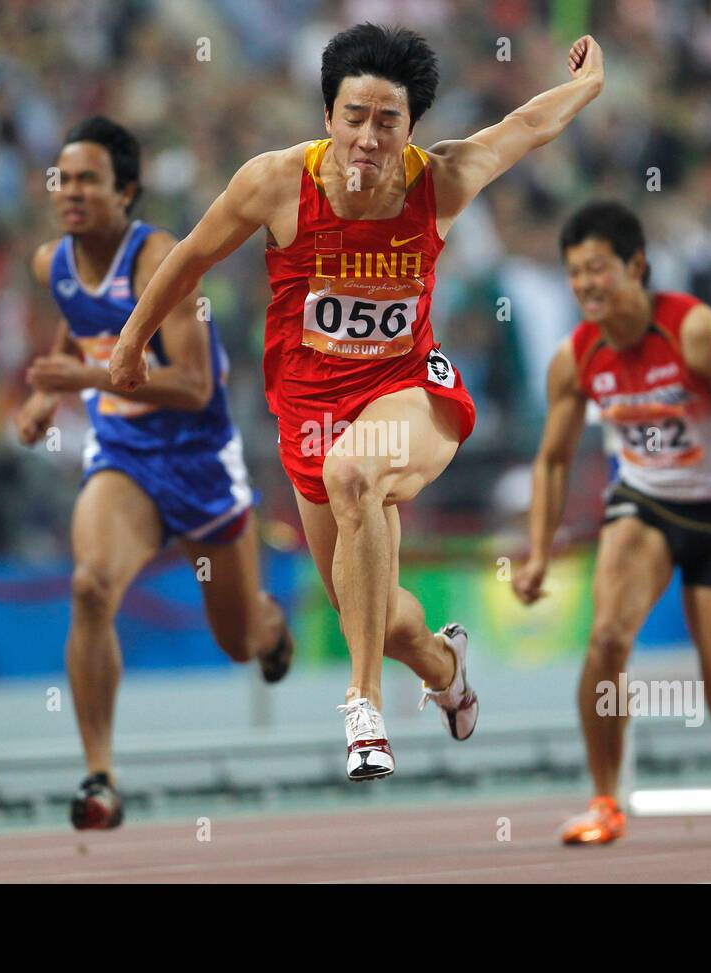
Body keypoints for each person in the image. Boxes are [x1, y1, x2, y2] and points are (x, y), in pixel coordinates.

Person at [107, 24, 606, 780]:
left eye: (388, 122)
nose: (369, 138)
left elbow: (528, 126)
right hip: (309, 409)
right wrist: (131, 340)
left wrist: (585, 87)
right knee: (370, 611)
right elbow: (191, 257)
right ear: (328, 116)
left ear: (411, 128)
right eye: (354, 117)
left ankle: (363, 706)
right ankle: (444, 665)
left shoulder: (440, 180)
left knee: (355, 474)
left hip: (410, 393)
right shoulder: (275, 182)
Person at [15, 117, 293, 828]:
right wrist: (49, 397)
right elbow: (75, 322)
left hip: (199, 462)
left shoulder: (160, 259)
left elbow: (195, 384)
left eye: (88, 180)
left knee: (236, 641)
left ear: (126, 191)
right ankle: (100, 775)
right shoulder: (53, 262)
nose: (71, 192)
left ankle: (267, 625)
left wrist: (77, 374)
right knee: (89, 585)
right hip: (126, 458)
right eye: (63, 179)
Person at [512, 201, 711, 843]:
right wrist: (537, 552)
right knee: (606, 636)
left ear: (636, 266)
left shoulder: (694, 333)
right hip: (643, 504)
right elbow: (552, 462)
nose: (586, 284)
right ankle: (605, 800)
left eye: (598, 269)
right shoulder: (575, 358)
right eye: (574, 272)